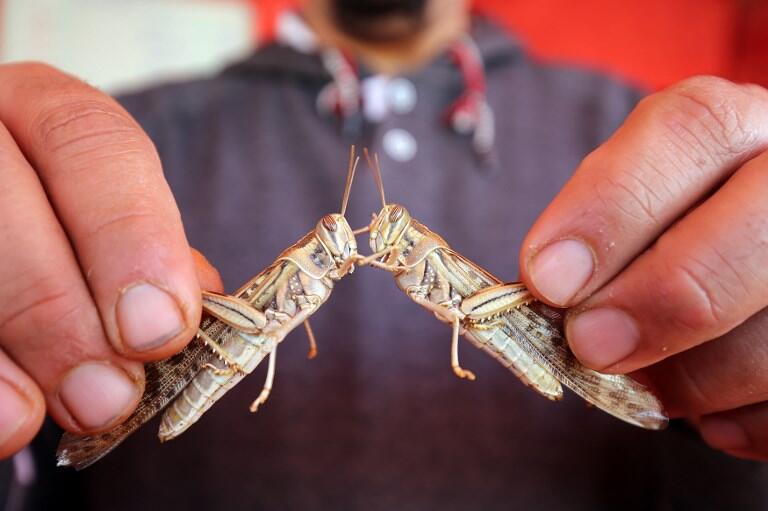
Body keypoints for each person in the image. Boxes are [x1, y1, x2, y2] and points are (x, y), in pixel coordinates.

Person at [2, 0, 768, 508]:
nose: (366, 238)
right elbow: (278, 315)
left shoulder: (633, 129)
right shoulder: (130, 137)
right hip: (215, 358)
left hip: (496, 320)